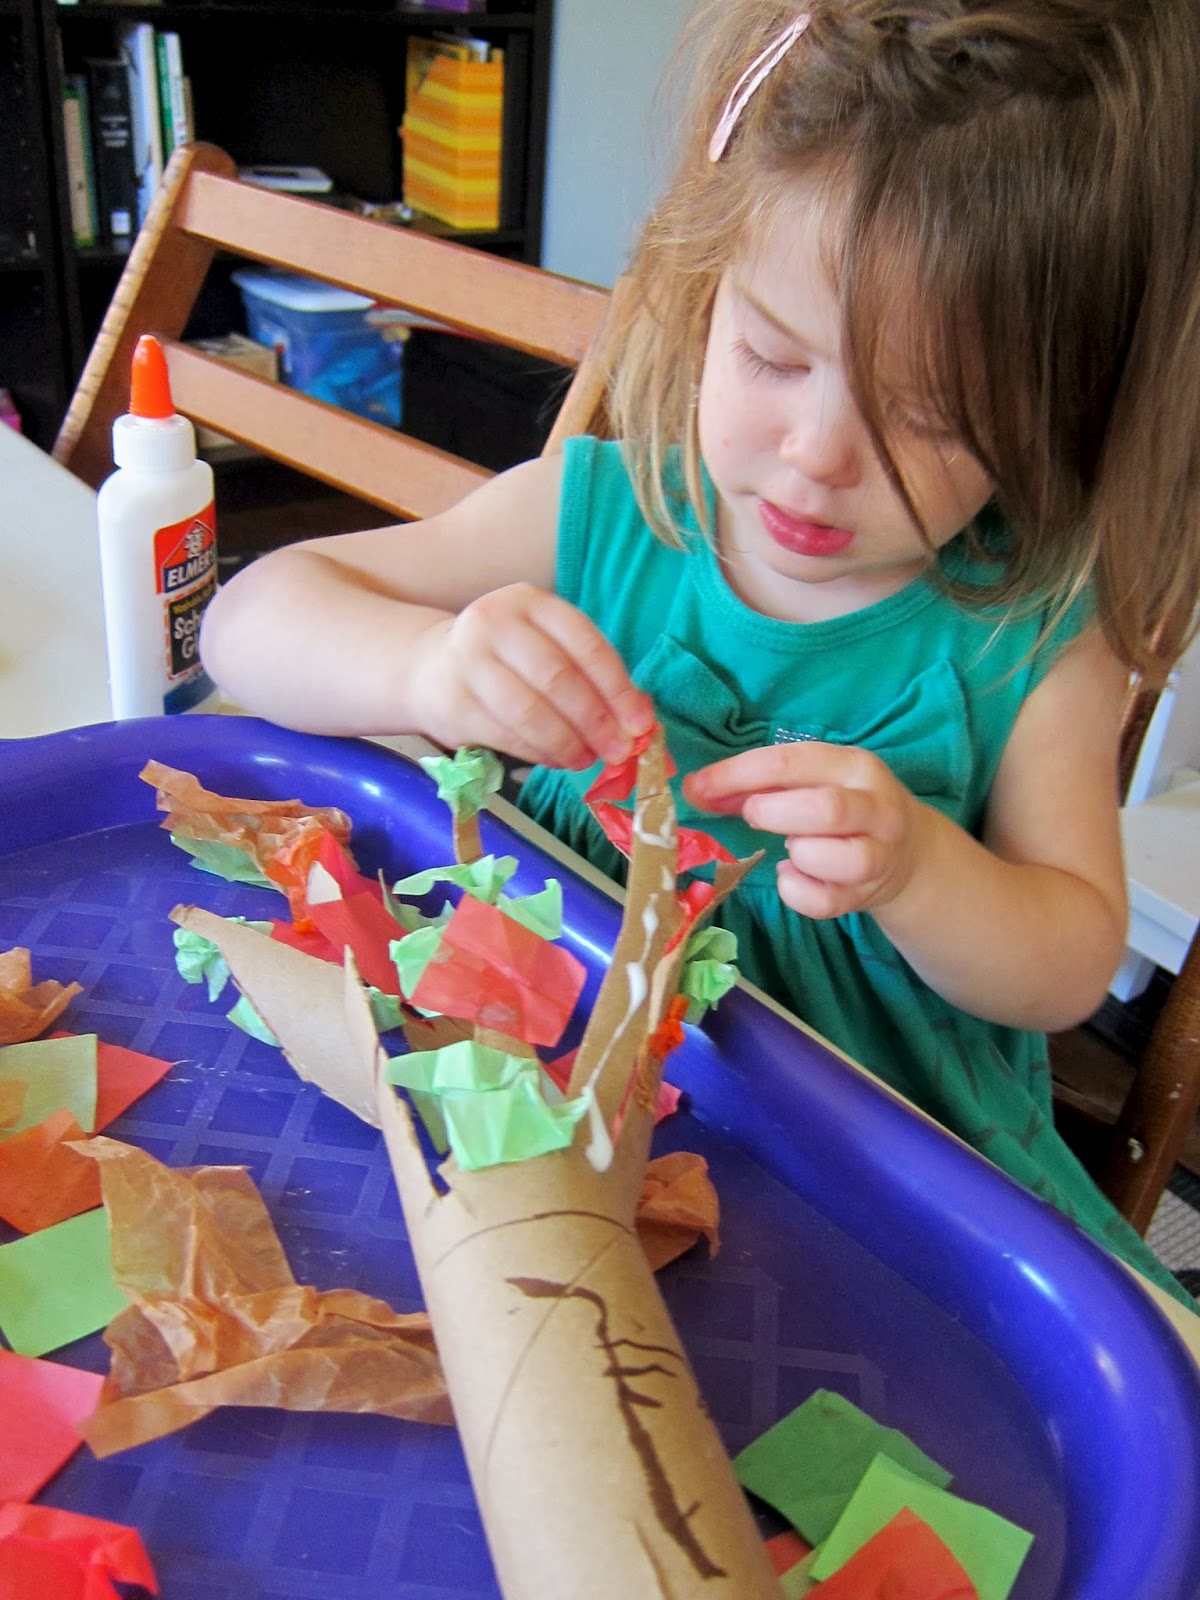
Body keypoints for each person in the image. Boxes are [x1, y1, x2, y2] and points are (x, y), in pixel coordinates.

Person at [201, 0, 1200, 1306]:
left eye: (933, 421)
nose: (817, 458)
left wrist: (920, 870)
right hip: (548, 1098)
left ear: (1053, 421)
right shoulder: (599, 514)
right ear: (702, 284)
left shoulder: (1026, 643)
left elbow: (1072, 960)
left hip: (867, 1192)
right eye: (773, 356)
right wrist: (426, 669)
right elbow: (248, 618)